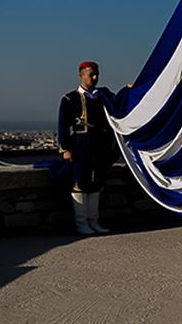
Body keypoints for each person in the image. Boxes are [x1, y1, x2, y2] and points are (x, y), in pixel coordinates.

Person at [57, 61, 120, 235]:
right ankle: (81, 222)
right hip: (80, 145)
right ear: (81, 75)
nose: (94, 78)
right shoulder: (69, 98)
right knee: (80, 183)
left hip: (100, 145)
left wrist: (130, 91)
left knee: (96, 183)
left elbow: (119, 103)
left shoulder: (103, 96)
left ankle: (94, 220)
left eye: (96, 74)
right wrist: (65, 149)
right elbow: (63, 126)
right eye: (91, 74)